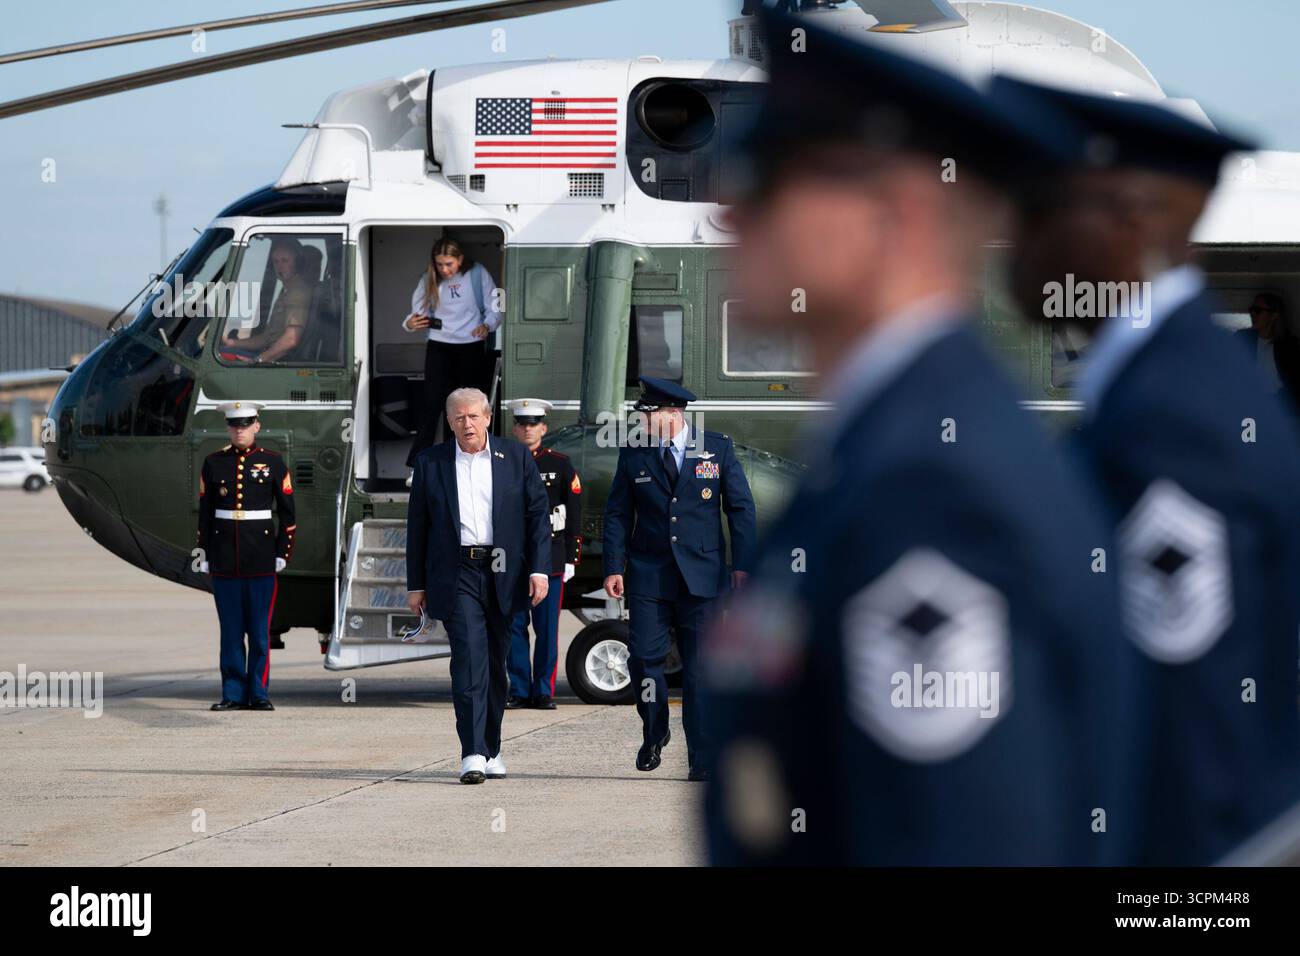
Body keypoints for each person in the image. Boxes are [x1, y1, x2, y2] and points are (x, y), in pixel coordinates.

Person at [702, 6, 1139, 865]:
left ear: (894, 213)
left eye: (762, 177)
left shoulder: (933, 490)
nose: (727, 212)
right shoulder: (893, 447)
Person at [995, 75, 1300, 865]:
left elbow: (1189, 733)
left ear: (1128, 218)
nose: (1011, 233)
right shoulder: (1167, 387)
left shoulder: (1172, 422)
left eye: (1037, 206)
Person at [603, 377, 757, 781]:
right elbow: (618, 513)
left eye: (648, 413)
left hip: (703, 579)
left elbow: (740, 508)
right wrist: (613, 566)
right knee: (643, 662)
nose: (643, 419)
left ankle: (702, 758)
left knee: (700, 670)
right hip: (650, 576)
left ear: (672, 413)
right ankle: (655, 730)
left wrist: (743, 565)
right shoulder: (634, 453)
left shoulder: (717, 448)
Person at [405, 387, 550, 784]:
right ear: (449, 422)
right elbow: (417, 527)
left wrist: (539, 571)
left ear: (487, 417)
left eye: (473, 416)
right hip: (458, 574)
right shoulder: (431, 463)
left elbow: (538, 517)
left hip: (505, 574)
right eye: (458, 418)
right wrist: (415, 583)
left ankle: (492, 748)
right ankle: (471, 752)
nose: (466, 424)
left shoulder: (515, 457)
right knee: (468, 660)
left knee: (495, 666)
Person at [196, 401, 296, 711]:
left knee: (259, 632)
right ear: (228, 427)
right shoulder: (213, 463)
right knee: (230, 633)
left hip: (261, 558)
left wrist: (283, 553)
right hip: (225, 559)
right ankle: (233, 694)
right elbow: (205, 515)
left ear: (257, 426)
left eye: (246, 423)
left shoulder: (274, 462)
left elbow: (288, 514)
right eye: (235, 424)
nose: (240, 429)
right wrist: (204, 552)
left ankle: (259, 694)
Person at [504, 398, 582, 710]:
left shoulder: (559, 464)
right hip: (512, 559)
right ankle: (520, 690)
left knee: (547, 630)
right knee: (514, 629)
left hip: (550, 557)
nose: (527, 429)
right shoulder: (502, 461)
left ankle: (543, 691)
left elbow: (573, 510)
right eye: (522, 423)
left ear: (544, 428)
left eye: (533, 423)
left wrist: (571, 557)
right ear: (514, 428)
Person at [403, 238, 501, 469]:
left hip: (471, 345)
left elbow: (495, 307)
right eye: (439, 264)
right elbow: (414, 315)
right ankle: (419, 463)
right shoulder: (429, 279)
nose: (444, 269)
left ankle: (457, 459)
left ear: (459, 260)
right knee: (431, 403)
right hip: (439, 344)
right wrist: (410, 324)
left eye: (449, 264)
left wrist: (487, 325)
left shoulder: (477, 274)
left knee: (464, 406)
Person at [221, 238, 313, 364]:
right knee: (224, 350)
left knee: (221, 357)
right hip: (271, 355)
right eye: (276, 262)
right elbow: (266, 338)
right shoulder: (286, 292)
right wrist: (232, 343)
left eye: (285, 260)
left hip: (281, 361)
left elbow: (291, 339)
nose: (279, 266)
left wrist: (258, 360)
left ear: (298, 263)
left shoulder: (297, 292)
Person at [1234, 292, 1300, 415]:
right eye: (1252, 309)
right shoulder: (1243, 339)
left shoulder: (1289, 345)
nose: (1253, 314)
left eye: (1258, 310)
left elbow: (1295, 384)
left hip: (1282, 411)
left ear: (1274, 316)